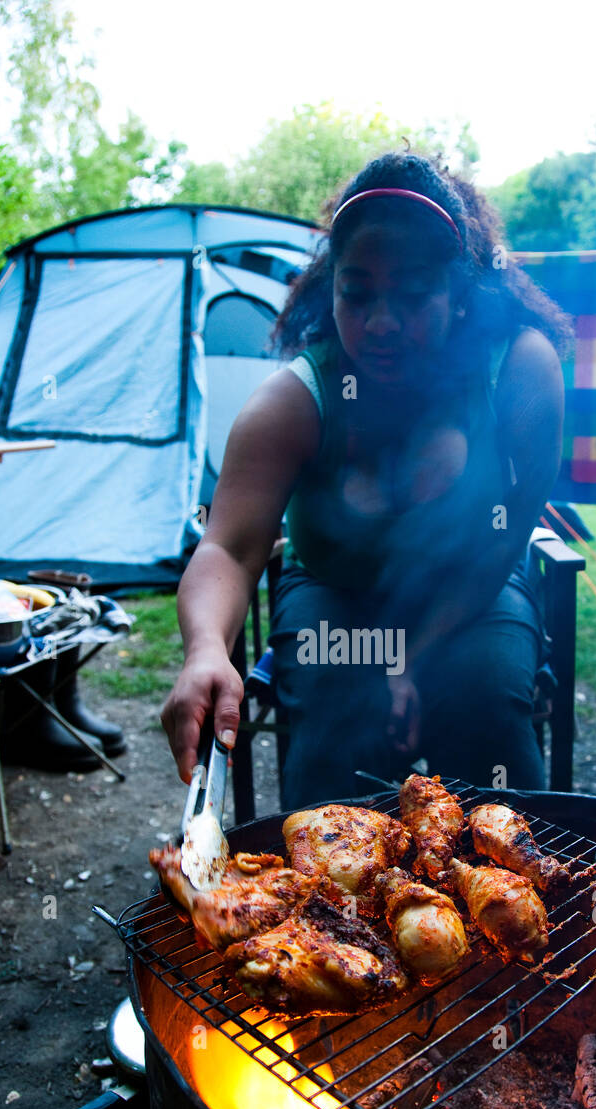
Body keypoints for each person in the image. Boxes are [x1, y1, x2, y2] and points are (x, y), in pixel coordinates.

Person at [162, 151, 573, 808]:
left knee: (485, 693)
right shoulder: (296, 401)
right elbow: (229, 549)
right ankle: (329, 898)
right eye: (357, 294)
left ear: (460, 296)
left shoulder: (520, 372)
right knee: (338, 698)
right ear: (332, 291)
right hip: (336, 592)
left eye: (411, 296)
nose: (381, 323)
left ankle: (510, 889)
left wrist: (416, 653)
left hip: (476, 586)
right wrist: (206, 648)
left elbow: (504, 542)